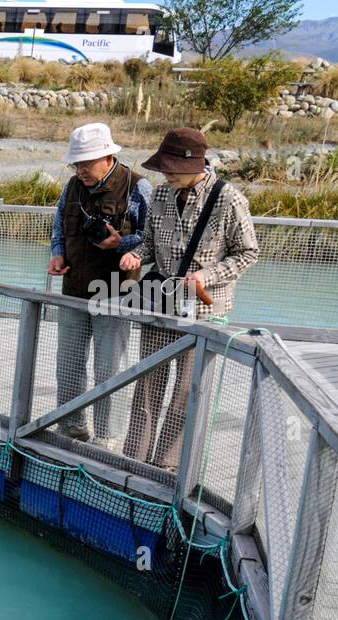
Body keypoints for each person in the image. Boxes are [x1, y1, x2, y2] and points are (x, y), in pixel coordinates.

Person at [118, 127, 259, 471]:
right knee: (147, 382)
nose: (164, 174)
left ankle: (168, 465)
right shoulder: (163, 195)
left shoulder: (229, 199)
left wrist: (205, 276)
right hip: (160, 302)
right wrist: (136, 256)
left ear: (194, 164)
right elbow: (149, 244)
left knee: (186, 391)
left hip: (201, 309)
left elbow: (248, 253)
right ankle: (134, 458)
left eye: (170, 167)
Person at [48, 122, 152, 451]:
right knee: (67, 364)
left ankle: (105, 439)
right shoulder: (73, 186)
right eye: (76, 164)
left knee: (109, 369)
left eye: (86, 163)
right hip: (74, 287)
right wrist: (57, 253)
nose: (80, 170)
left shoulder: (138, 186)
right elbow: (58, 223)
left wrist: (124, 245)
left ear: (108, 157)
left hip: (115, 292)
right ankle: (72, 428)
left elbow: (151, 239)